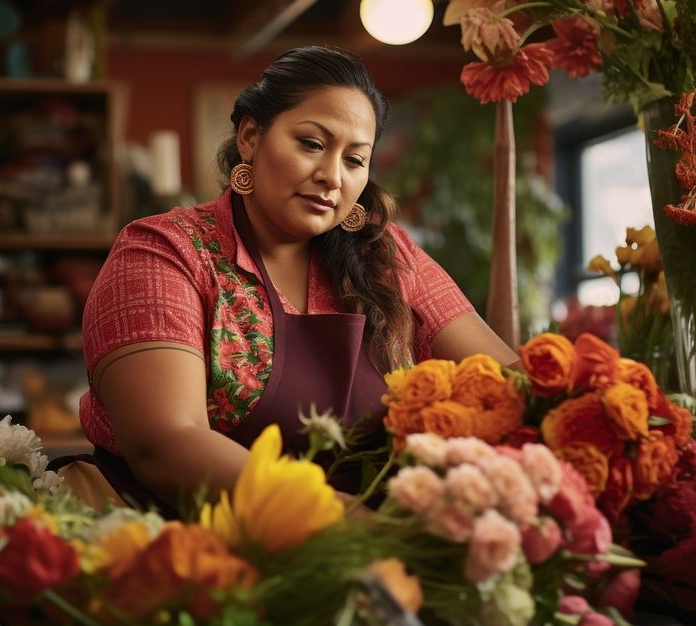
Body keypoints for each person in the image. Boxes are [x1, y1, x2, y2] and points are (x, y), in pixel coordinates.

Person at [71, 46, 520, 514]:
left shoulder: (386, 255)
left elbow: (505, 383)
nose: (332, 177)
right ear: (249, 137)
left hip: (374, 552)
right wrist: (342, 520)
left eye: (354, 160)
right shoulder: (166, 252)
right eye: (312, 144)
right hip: (189, 545)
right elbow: (165, 444)